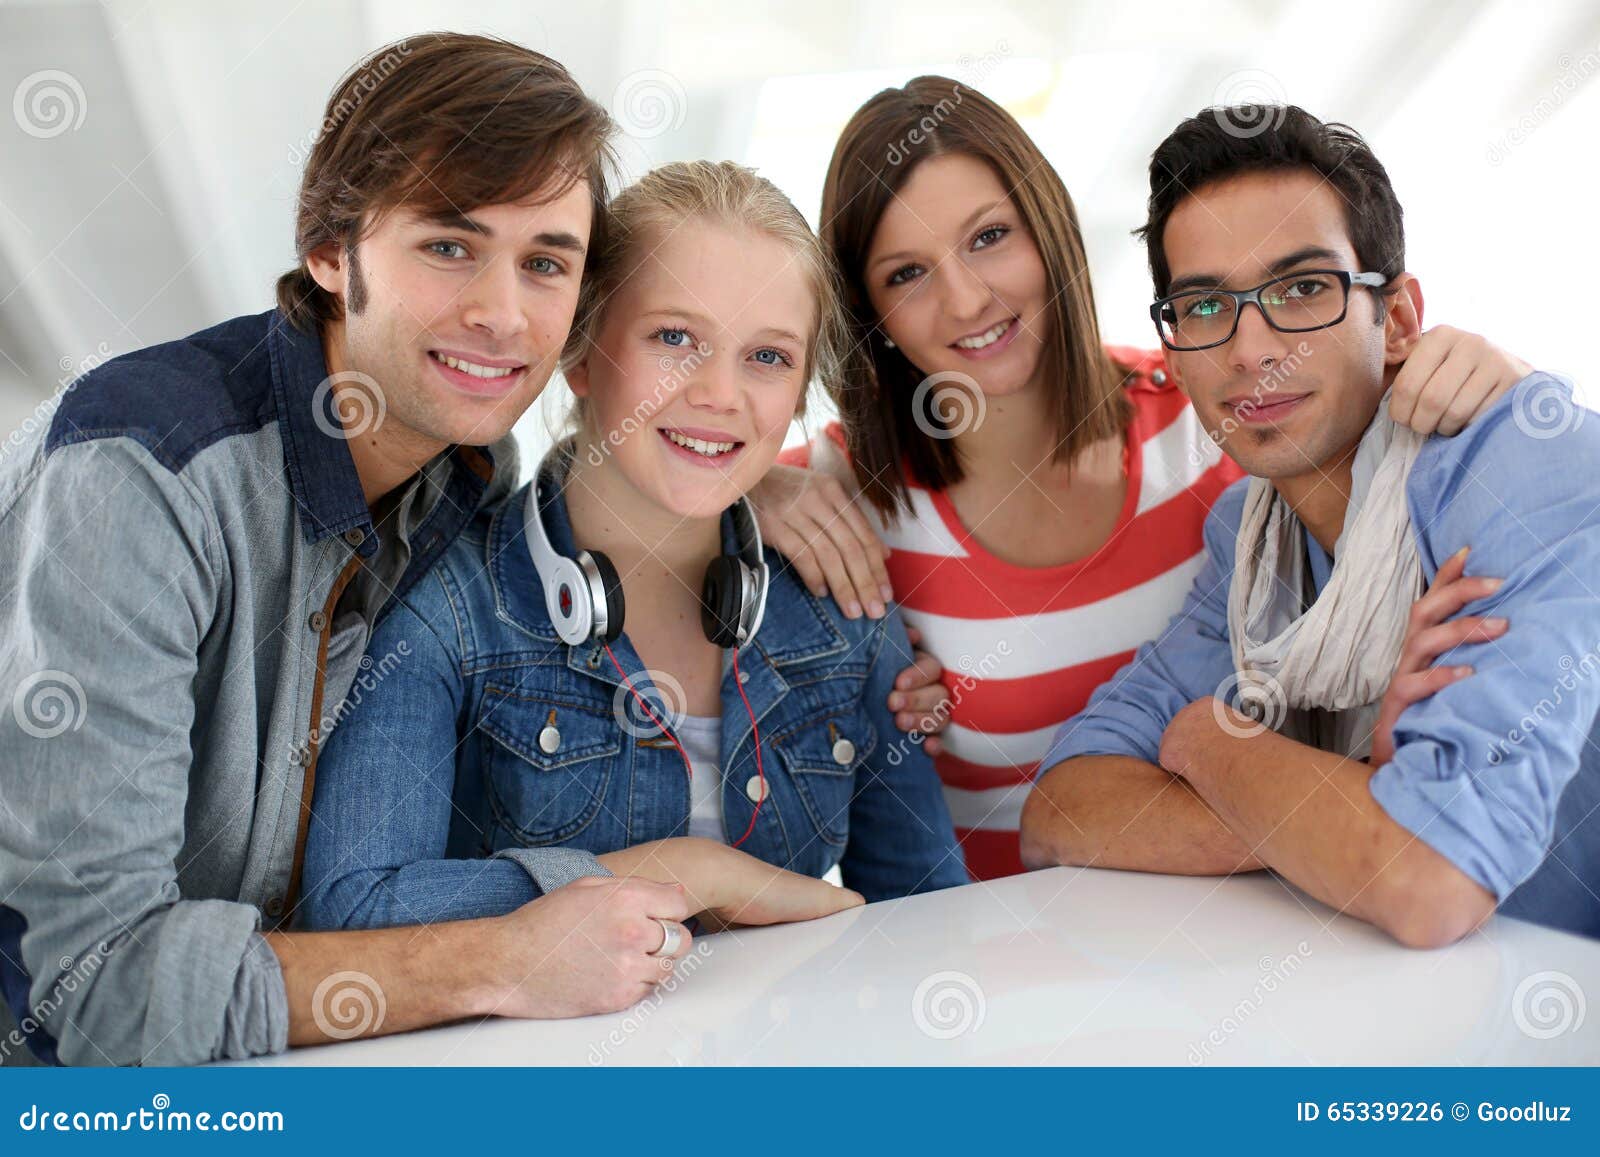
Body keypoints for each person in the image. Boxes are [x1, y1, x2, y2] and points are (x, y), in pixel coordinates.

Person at [0, 33, 696, 1067]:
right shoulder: (142, 475)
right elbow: (102, 988)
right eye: (448, 245)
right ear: (331, 254)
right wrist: (501, 960)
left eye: (544, 262)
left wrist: (757, 487)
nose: (502, 314)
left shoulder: (466, 472)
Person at [755, 77, 1535, 880]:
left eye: (989, 237)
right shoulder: (842, 491)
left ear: (1050, 230)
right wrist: (752, 490)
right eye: (906, 274)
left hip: (1256, 932)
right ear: (869, 316)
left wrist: (1513, 381)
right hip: (996, 969)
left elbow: (1387, 447)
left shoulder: (1215, 412)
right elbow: (655, 493)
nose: (966, 298)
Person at [300, 161, 968, 936]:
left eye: (768, 356)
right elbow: (357, 912)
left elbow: (930, 921)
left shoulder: (839, 600)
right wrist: (683, 875)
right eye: (675, 337)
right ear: (579, 352)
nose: (721, 394)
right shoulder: (446, 612)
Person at [1022, 104, 1600, 946]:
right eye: (1206, 304)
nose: (1254, 351)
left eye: (1301, 289)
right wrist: (1355, 793)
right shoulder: (1250, 535)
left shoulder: (1520, 466)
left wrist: (1210, 748)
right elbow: (1061, 805)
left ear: (1396, 320)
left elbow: (1429, 881)